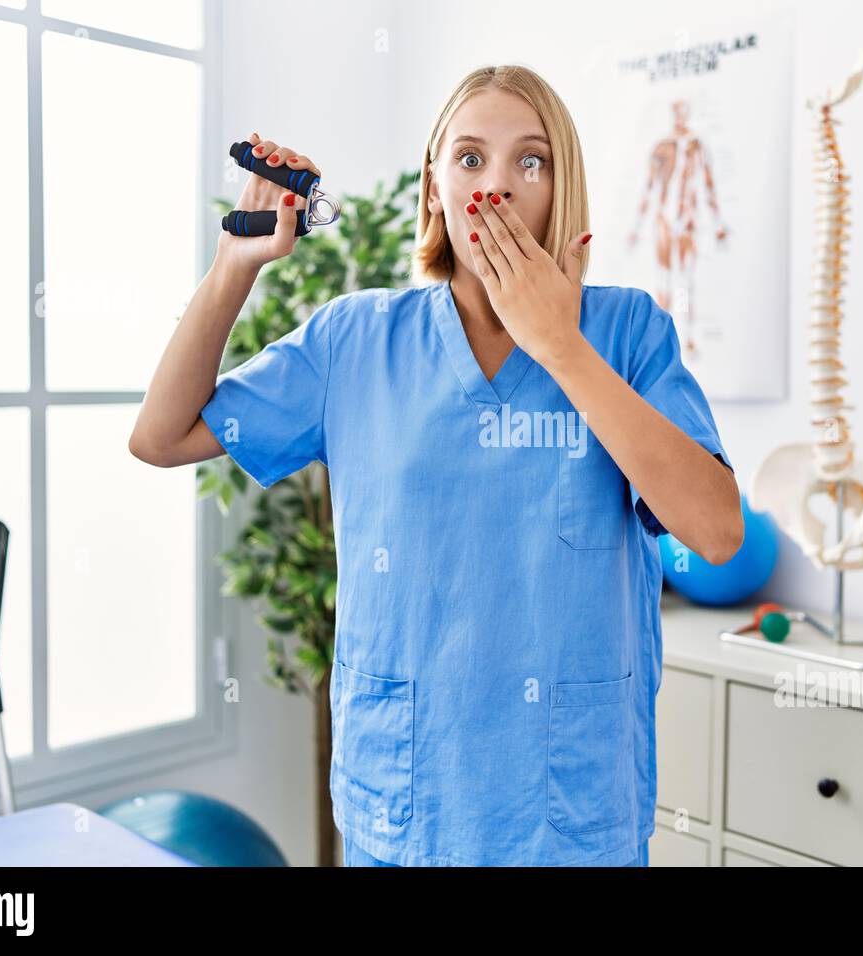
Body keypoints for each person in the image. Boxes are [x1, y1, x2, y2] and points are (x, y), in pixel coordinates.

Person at [129, 64, 743, 867]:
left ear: (563, 192)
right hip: (407, 817)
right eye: (469, 158)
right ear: (433, 190)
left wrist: (559, 344)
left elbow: (717, 531)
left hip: (571, 821)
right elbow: (162, 435)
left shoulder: (628, 334)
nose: (498, 186)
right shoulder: (354, 341)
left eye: (532, 161)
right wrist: (234, 269)